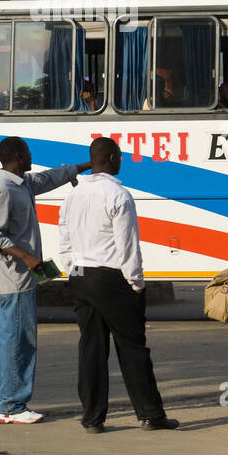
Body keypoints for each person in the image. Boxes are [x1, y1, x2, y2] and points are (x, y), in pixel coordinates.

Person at [58, 137, 178, 433]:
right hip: (112, 279)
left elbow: (64, 238)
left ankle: (92, 418)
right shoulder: (119, 195)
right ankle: (150, 414)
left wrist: (70, 270)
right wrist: (136, 283)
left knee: (91, 349)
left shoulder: (73, 196)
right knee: (133, 349)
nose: (122, 160)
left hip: (81, 277)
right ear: (112, 158)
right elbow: (127, 246)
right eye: (120, 157)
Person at [0, 137, 89, 424]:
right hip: (14, 279)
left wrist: (84, 166)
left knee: (13, 340)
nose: (32, 155)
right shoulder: (3, 190)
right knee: (19, 342)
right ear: (18, 156)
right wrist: (26, 257)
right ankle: (11, 406)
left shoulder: (23, 183)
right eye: (28, 152)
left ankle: (2, 400)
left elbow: (50, 177)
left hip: (22, 280)